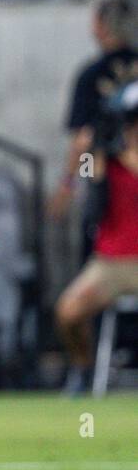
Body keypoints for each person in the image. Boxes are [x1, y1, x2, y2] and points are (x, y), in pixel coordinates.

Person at [55, 93, 138, 394]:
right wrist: (91, 162)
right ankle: (83, 366)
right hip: (111, 263)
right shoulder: (106, 162)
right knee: (68, 311)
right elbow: (90, 212)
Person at [51, 0, 136, 222]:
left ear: (99, 26)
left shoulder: (91, 75)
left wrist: (74, 182)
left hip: (106, 182)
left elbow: (83, 141)